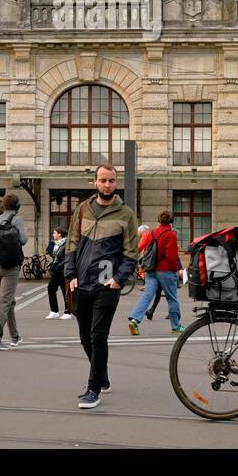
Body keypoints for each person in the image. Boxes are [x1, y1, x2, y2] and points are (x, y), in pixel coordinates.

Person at [63, 164, 139, 409]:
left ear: (116, 184)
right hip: (81, 283)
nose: (107, 185)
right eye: (103, 180)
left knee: (98, 336)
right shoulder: (83, 209)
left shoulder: (125, 213)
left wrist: (119, 279)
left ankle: (93, 388)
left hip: (107, 285)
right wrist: (70, 273)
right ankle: (102, 375)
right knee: (85, 337)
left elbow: (131, 253)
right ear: (94, 182)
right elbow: (72, 242)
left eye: (112, 181)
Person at [0, 193, 27, 350]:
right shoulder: (17, 220)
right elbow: (24, 239)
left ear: (3, 206)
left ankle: (15, 336)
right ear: (17, 206)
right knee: (4, 302)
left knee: (9, 301)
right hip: (11, 268)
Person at [127, 210, 183, 334]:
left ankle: (135, 321)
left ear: (159, 220)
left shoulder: (152, 232)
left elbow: (146, 249)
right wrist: (176, 270)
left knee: (147, 296)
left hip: (151, 269)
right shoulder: (171, 234)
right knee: (172, 298)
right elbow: (171, 257)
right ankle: (176, 326)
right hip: (165, 270)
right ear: (171, 221)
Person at [44, 228, 71, 320]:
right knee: (51, 289)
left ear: (60, 234)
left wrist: (59, 265)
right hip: (55, 271)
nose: (53, 235)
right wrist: (50, 245)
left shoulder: (66, 244)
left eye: (54, 233)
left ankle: (68, 312)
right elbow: (50, 254)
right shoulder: (54, 244)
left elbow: (67, 258)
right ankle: (54, 311)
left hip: (63, 271)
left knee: (65, 292)